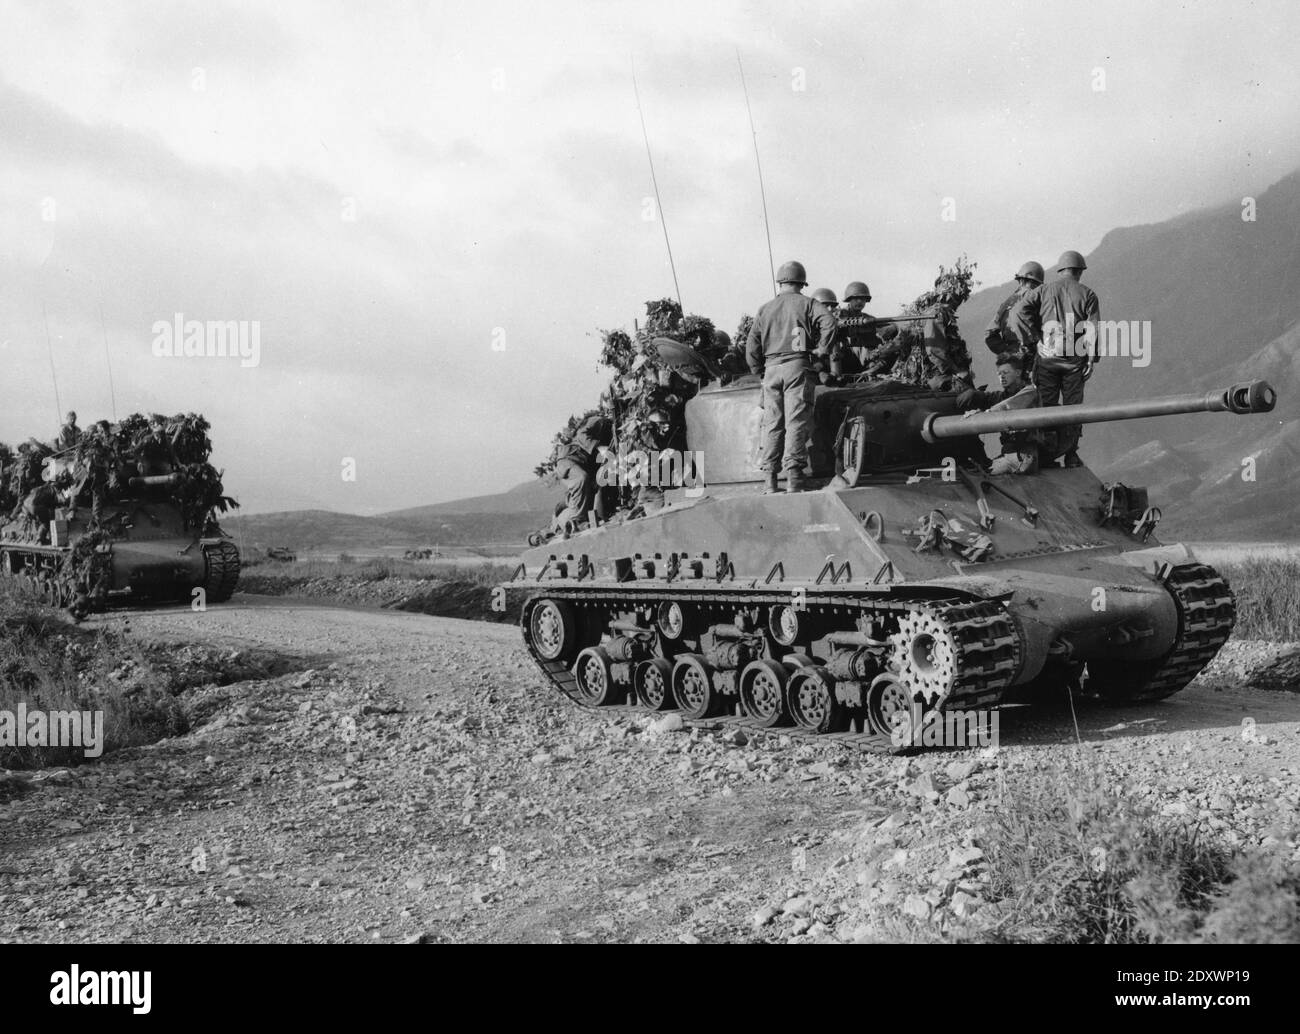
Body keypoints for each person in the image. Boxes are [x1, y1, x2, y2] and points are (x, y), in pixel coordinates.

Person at [746, 260, 835, 493]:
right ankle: (794, 479)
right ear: (801, 282)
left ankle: (770, 481)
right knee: (796, 420)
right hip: (797, 366)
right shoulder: (808, 303)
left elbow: (751, 346)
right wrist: (823, 349)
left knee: (772, 424)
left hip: (771, 370)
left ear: (781, 282)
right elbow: (829, 322)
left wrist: (759, 372)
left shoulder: (765, 308)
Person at [1014, 250, 1101, 467]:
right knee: (1073, 410)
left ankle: (1046, 457)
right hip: (1074, 362)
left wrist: (1034, 341)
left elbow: (1017, 314)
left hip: (1047, 360)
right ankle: (1071, 455)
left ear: (1060, 270)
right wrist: (1091, 359)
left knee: (1047, 409)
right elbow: (1093, 329)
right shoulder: (1088, 294)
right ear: (1079, 271)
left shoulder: (1043, 290)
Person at [958, 354, 1039, 473]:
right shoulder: (1001, 396)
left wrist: (986, 414)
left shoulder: (1030, 392)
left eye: (1005, 372)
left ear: (1018, 373)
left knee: (984, 472)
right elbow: (985, 398)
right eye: (999, 374)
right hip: (1008, 454)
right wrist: (971, 398)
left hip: (1024, 456)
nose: (1002, 376)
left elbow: (1007, 405)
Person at [553, 410, 614, 529]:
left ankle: (567, 503)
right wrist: (600, 448)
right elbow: (582, 434)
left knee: (592, 485)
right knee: (581, 478)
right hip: (568, 460)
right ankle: (577, 520)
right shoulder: (599, 420)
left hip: (580, 463)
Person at [984, 262, 1043, 372]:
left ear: (1020, 280)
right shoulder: (1038, 299)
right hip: (1033, 357)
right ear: (1038, 283)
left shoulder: (1007, 303)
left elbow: (989, 334)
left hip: (1011, 362)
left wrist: (1007, 351)